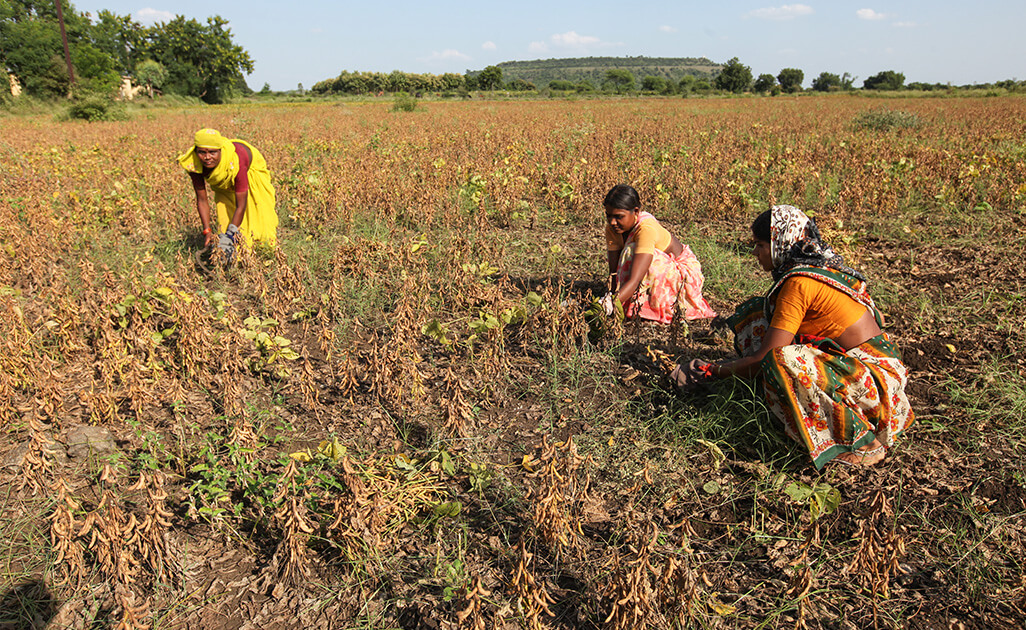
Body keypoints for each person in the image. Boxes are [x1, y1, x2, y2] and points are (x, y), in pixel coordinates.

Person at [675, 204, 914, 469]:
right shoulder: (818, 266)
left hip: (874, 385)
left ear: (780, 244)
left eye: (760, 245)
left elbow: (765, 357)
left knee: (782, 360)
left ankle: (865, 444)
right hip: (872, 369)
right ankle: (771, 394)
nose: (755, 252)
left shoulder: (798, 283)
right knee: (757, 316)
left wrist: (713, 371)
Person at [601, 184, 716, 323]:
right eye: (609, 216)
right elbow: (614, 272)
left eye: (619, 217)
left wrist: (612, 303)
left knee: (632, 252)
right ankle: (630, 304)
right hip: (649, 270)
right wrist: (609, 297)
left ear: (636, 211)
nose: (612, 222)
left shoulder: (646, 228)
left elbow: (635, 279)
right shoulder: (613, 229)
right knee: (630, 254)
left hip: (682, 274)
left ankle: (654, 307)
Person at [177, 128, 278, 259]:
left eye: (213, 152)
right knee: (225, 219)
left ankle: (265, 254)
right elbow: (202, 200)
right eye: (202, 152)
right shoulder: (194, 164)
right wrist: (207, 231)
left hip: (251, 169)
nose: (207, 157)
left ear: (220, 150)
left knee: (258, 215)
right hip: (224, 184)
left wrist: (231, 234)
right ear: (196, 152)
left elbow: (241, 205)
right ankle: (233, 256)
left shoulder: (235, 161)